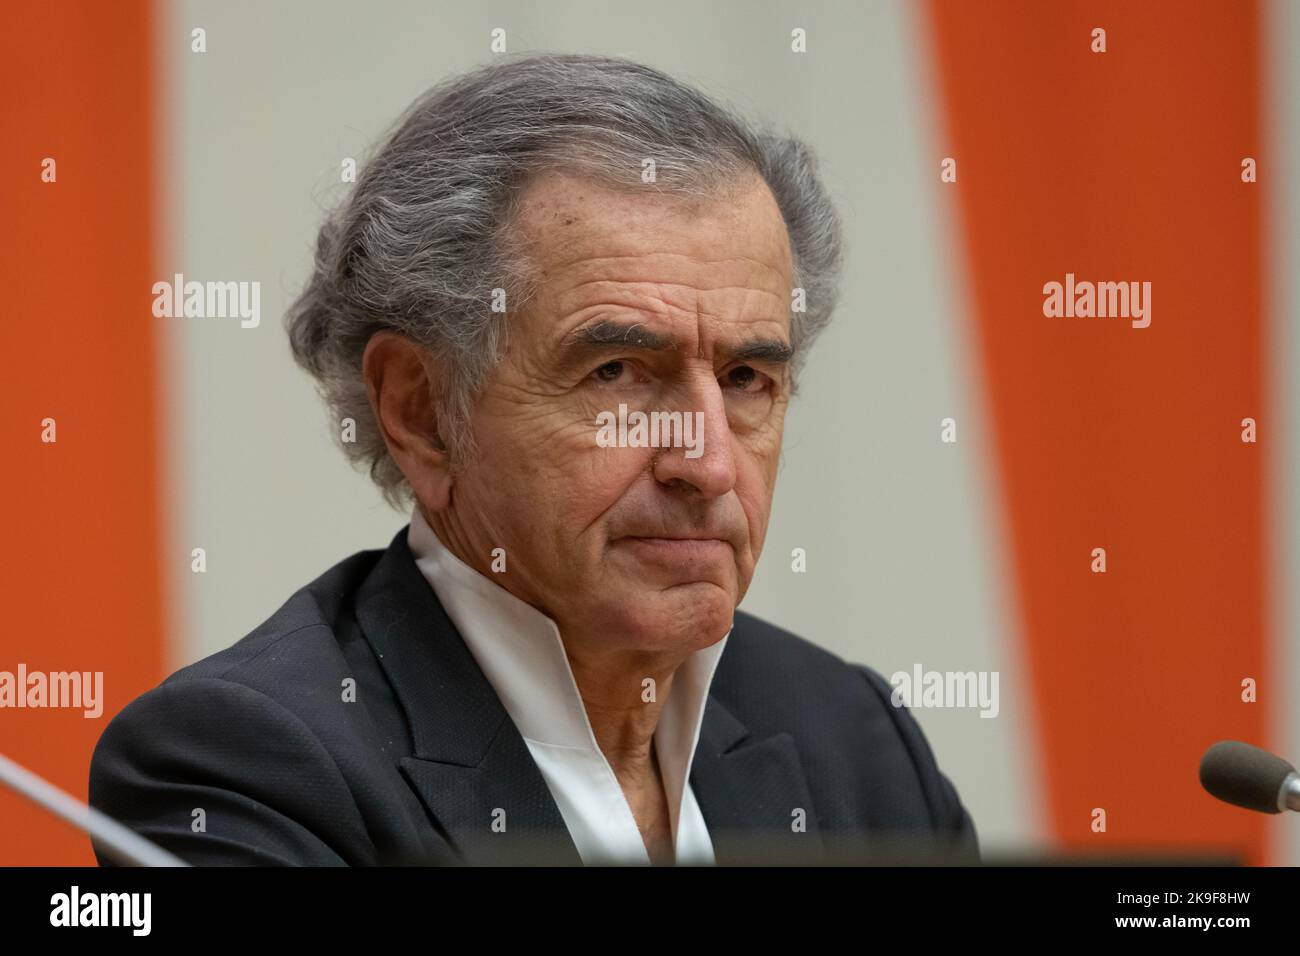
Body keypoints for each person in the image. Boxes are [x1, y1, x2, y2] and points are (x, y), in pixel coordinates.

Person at [89, 52, 978, 866]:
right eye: (619, 372)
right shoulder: (250, 767)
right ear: (423, 410)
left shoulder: (858, 744)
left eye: (747, 377)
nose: (707, 465)